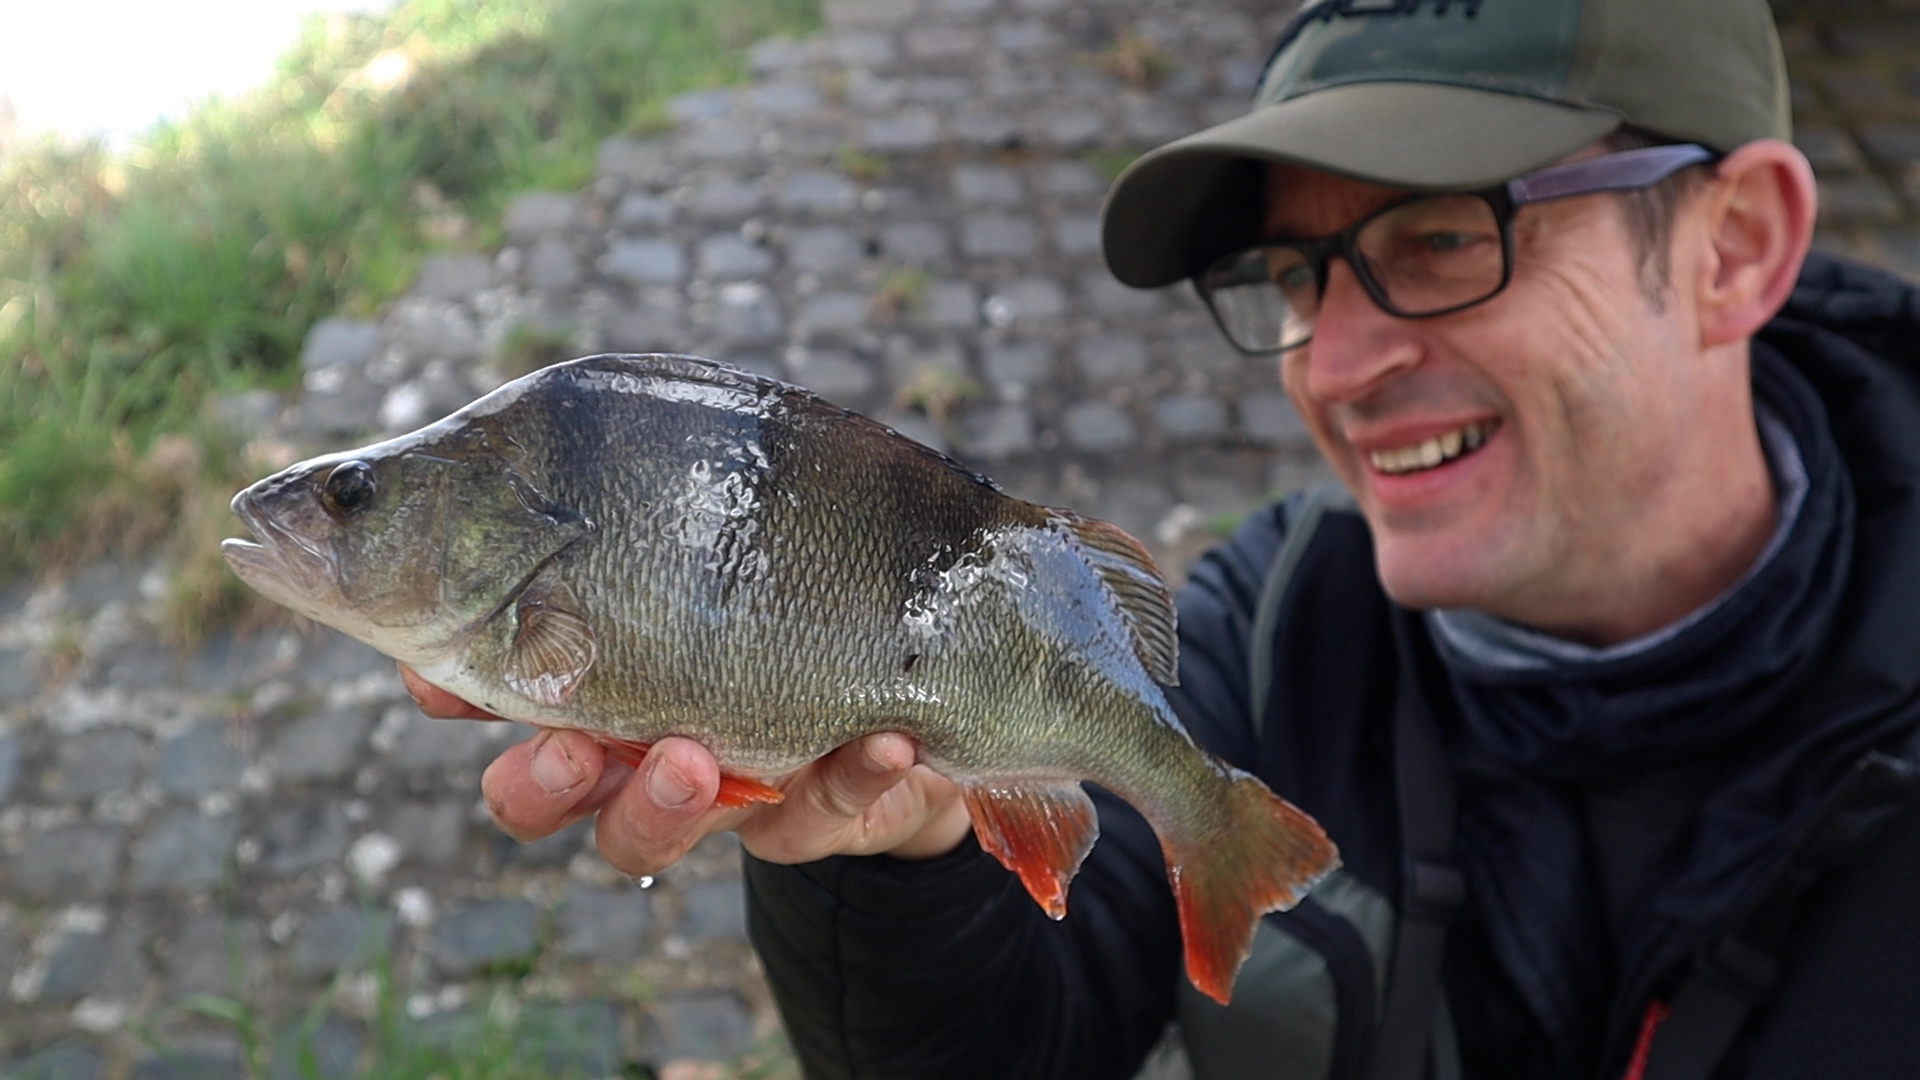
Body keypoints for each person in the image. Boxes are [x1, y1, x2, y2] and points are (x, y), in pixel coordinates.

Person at [405, 0, 1920, 1075]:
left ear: (1735, 247)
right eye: (1300, 276)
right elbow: (1013, 1048)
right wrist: (896, 857)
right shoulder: (1278, 631)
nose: (1331, 366)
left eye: (1446, 241)